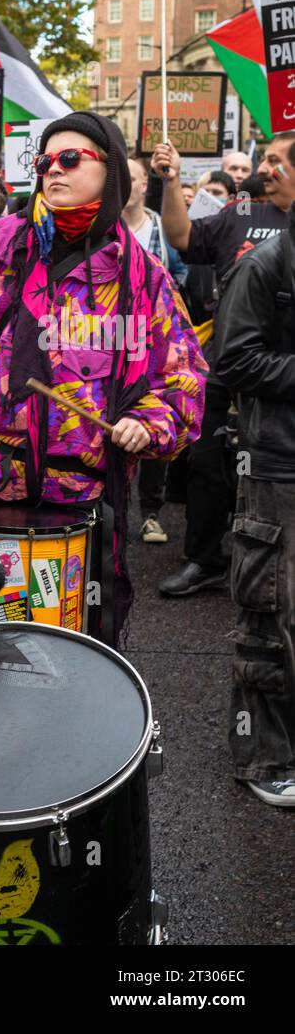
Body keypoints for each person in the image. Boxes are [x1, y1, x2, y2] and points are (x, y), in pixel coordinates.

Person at [0, 112, 207, 645]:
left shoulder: (143, 277)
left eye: (70, 159)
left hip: (81, 506)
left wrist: (148, 422)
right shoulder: (1, 249)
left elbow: (183, 382)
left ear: (112, 173)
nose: (53, 170)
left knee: (67, 660)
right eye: (44, 160)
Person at [153, 134, 294, 597]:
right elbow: (182, 238)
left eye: (276, 160)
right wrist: (171, 182)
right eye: (265, 160)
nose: (265, 168)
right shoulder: (242, 214)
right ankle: (206, 559)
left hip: (279, 386)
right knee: (209, 468)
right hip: (228, 365)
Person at [213, 216, 295, 805]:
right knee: (271, 610)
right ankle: (264, 757)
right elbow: (234, 361)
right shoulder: (264, 264)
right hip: (278, 466)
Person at [124, 156, 189, 546]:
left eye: (133, 179)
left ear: (145, 184)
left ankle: (150, 512)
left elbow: (180, 274)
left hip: (151, 346)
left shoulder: (161, 230)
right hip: (111, 343)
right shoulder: (104, 230)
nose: (127, 186)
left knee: (149, 421)